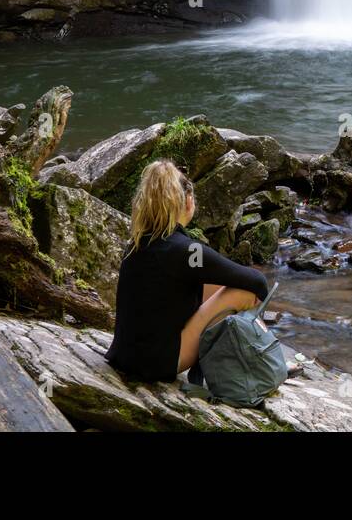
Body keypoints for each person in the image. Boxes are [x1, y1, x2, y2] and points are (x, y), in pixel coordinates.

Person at [106, 159, 269, 382]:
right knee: (244, 293)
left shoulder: (137, 243)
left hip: (123, 356)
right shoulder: (187, 251)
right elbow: (258, 283)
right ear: (188, 202)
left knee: (214, 284)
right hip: (156, 364)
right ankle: (265, 357)